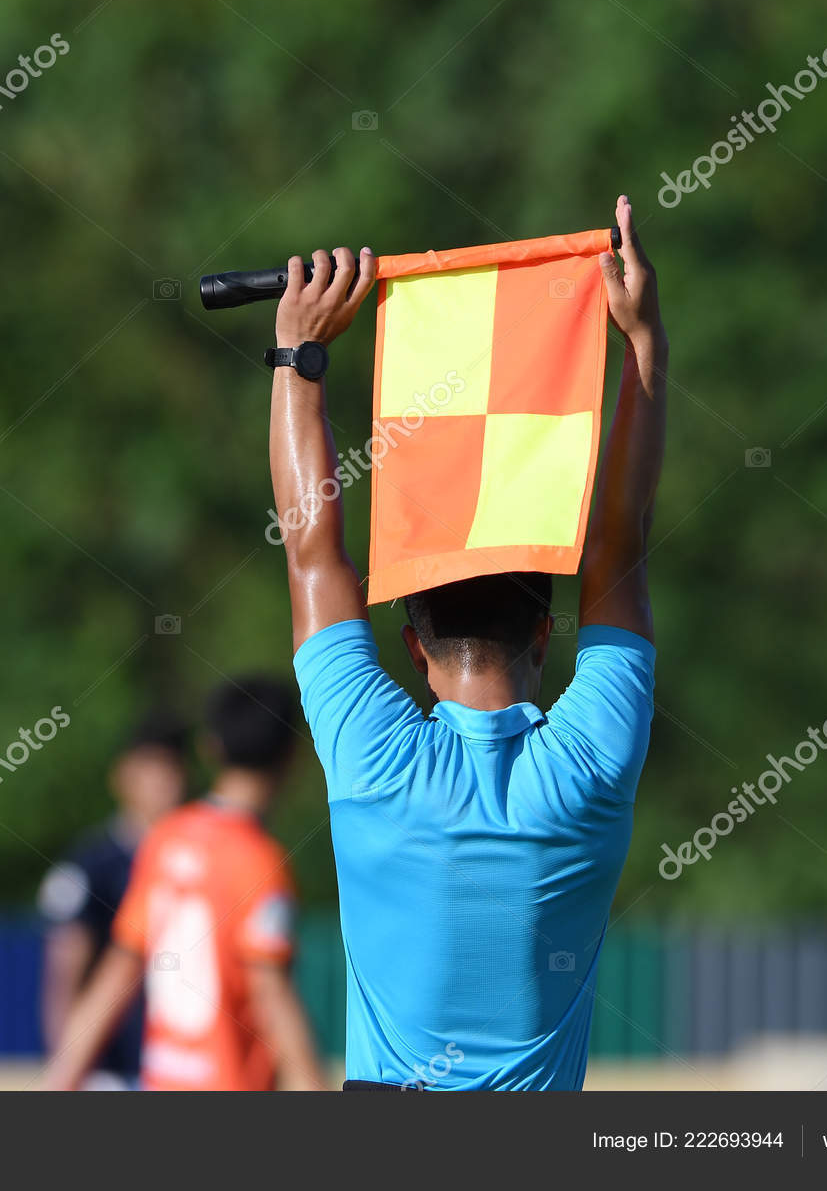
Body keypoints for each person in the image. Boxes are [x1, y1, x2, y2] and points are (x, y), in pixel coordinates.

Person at [268, 195, 665, 1089]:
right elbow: (622, 548)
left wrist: (299, 358)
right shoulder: (590, 767)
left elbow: (310, 553)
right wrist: (641, 342)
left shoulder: (375, 759)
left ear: (413, 646)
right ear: (544, 628)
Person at [42, 678, 327, 1091]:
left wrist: (58, 1081)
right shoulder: (260, 861)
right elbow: (272, 995)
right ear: (293, 756)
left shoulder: (165, 839)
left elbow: (117, 973)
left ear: (210, 748)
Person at [37, 710, 189, 1088]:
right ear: (124, 776)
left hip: (182, 1068)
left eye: (173, 768)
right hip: (110, 1074)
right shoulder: (91, 866)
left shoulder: (197, 861)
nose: (165, 781)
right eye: (153, 768)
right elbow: (65, 970)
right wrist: (69, 1067)